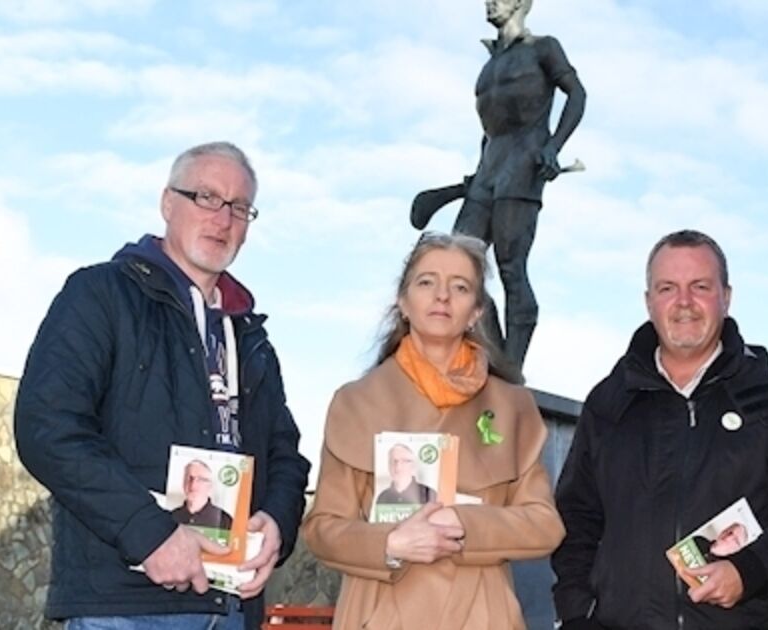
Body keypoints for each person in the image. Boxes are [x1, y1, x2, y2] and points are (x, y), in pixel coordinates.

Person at [14, 141, 311, 630]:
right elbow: (47, 427)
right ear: (168, 203)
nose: (223, 218)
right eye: (207, 197)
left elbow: (286, 454)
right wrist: (149, 534)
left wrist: (277, 522)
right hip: (127, 605)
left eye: (240, 207)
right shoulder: (101, 294)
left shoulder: (250, 337)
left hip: (231, 606)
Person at [552, 229, 768, 629]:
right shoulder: (609, 404)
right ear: (649, 301)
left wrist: (749, 570)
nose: (684, 302)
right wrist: (576, 615)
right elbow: (575, 518)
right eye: (667, 288)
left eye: (700, 286)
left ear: (726, 297)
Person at [302, 231, 565, 630]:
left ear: (476, 312)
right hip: (380, 614)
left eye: (460, 287)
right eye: (426, 282)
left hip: (482, 616)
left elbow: (545, 525)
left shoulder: (513, 407)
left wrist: (465, 526)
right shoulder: (356, 402)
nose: (442, 296)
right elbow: (322, 528)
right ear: (403, 301)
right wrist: (389, 544)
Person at [415, 0, 585, 369]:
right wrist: (477, 173)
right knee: (456, 265)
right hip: (489, 169)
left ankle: (511, 372)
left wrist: (553, 147)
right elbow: (489, 130)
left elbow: (577, 93)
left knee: (510, 267)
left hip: (523, 164)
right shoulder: (490, 63)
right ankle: (490, 359)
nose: (491, 2)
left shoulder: (543, 48)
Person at [172, 460, 234, 530]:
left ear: (210, 485)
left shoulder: (225, 521)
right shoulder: (171, 518)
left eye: (200, 479)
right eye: (189, 478)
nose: (193, 485)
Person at [373, 443, 438, 505]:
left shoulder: (428, 494)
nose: (398, 466)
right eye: (393, 461)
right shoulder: (382, 497)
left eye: (403, 461)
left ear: (413, 465)